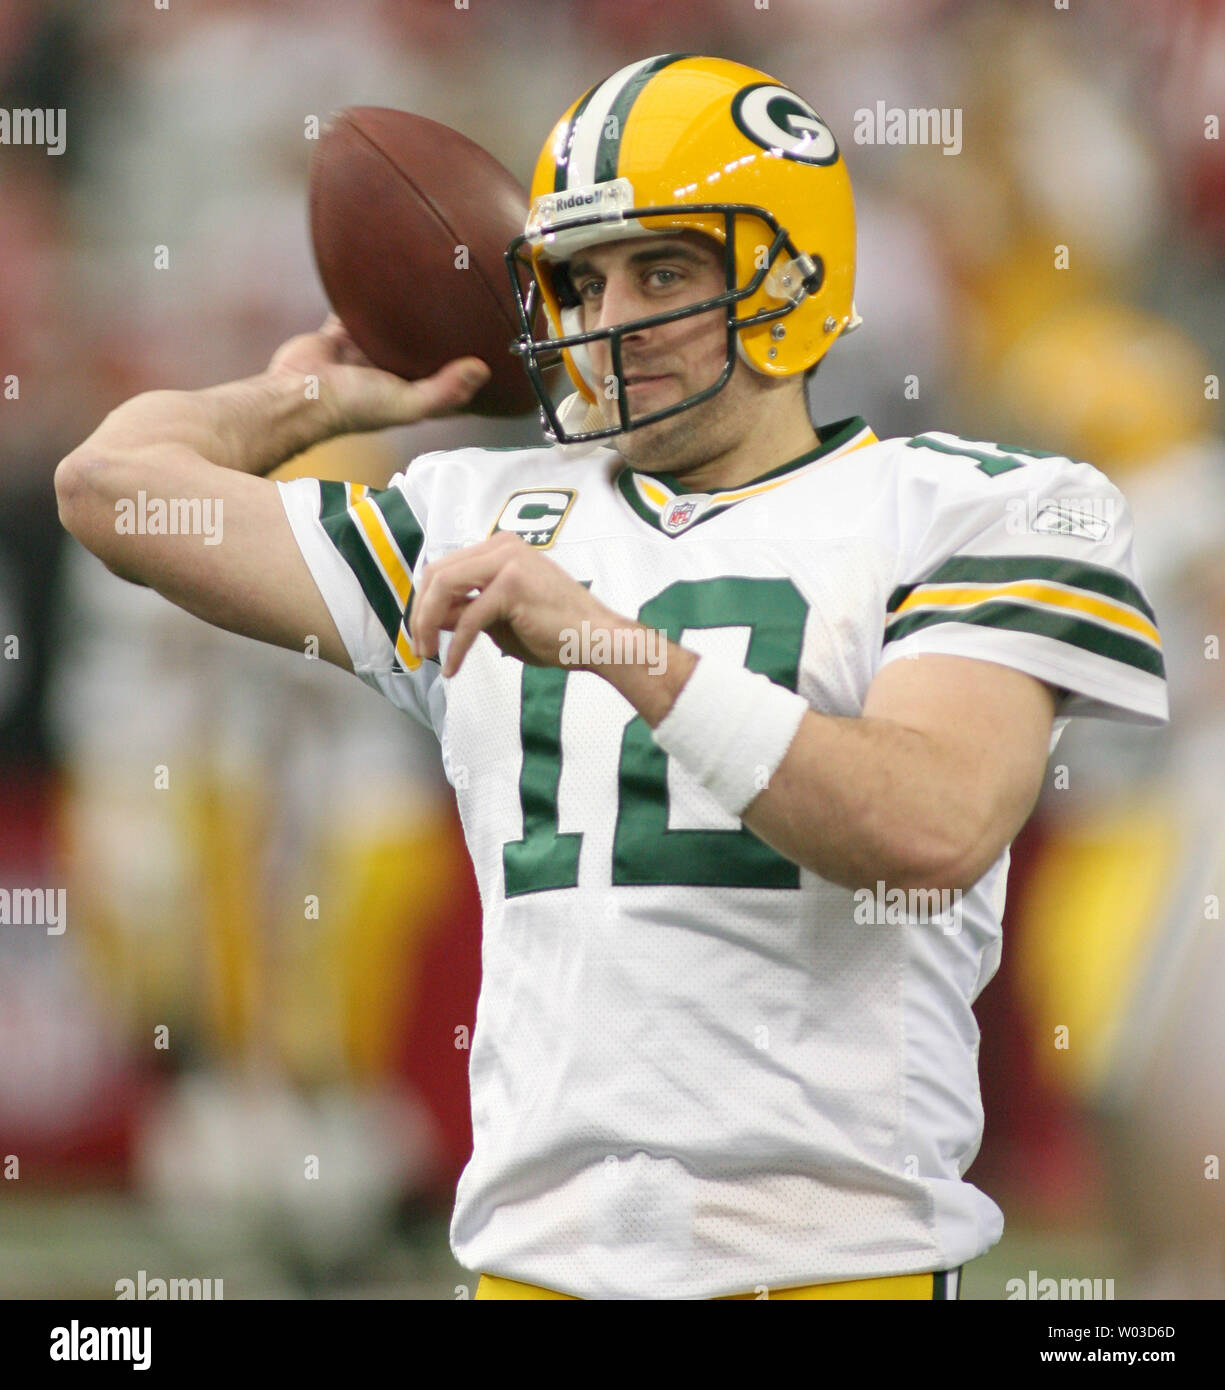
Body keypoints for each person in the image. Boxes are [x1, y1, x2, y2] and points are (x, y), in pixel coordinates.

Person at [54, 54, 1168, 1300]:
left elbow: (929, 824)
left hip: (836, 1269)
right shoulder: (485, 511)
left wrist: (609, 641)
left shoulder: (978, 506)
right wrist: (300, 401)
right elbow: (111, 489)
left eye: (663, 270)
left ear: (792, 276)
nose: (607, 321)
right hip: (536, 1272)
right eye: (579, 281)